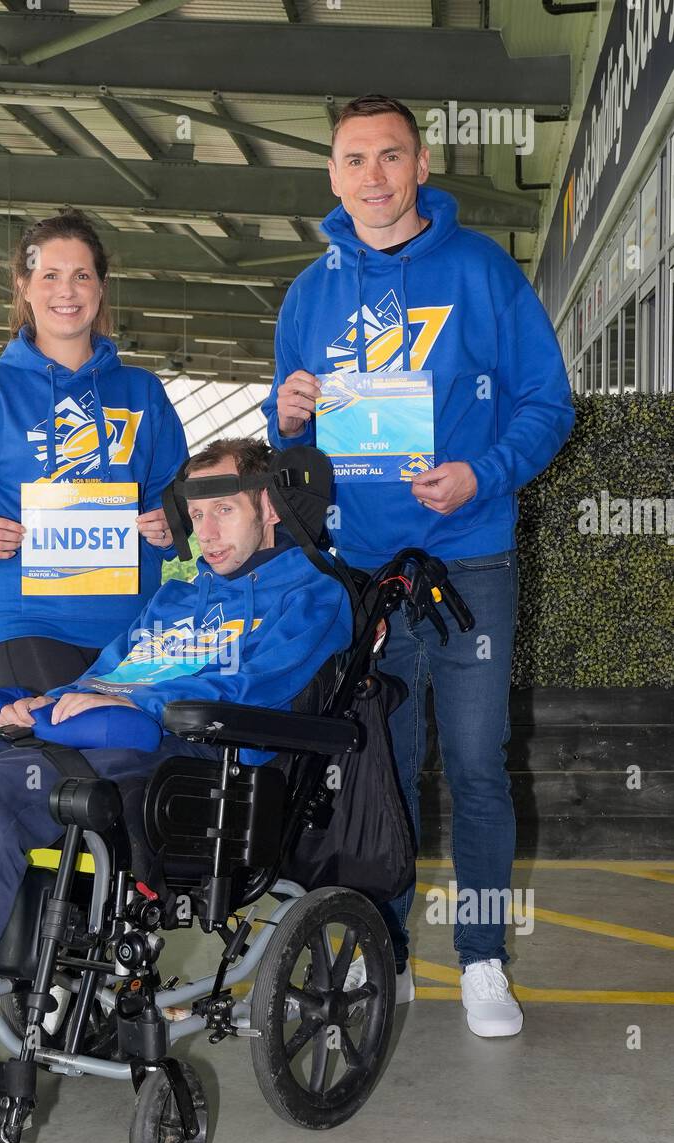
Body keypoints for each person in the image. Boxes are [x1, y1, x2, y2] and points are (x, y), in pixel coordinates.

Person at [0, 438, 354, 1143]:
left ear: (270, 510)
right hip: (94, 740)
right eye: (198, 514)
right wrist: (40, 705)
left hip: (177, 771)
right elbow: (106, 671)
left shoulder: (312, 592)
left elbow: (253, 694)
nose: (208, 531)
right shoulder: (177, 595)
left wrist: (132, 703)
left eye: (225, 511)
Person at [262, 94, 575, 1038]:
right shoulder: (309, 292)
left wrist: (482, 471)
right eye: (354, 160)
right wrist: (287, 414)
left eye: (389, 157)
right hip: (363, 578)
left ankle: (481, 959)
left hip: (470, 560)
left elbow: (546, 404)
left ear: (422, 164)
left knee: (477, 767)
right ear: (332, 175)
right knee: (378, 774)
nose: (373, 177)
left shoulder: (480, 271)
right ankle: (385, 952)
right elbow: (293, 441)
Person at [0, 208, 187, 693]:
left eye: (81, 275)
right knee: (59, 748)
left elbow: (178, 491)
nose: (67, 291)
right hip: (27, 618)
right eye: (50, 275)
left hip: (132, 617)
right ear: (24, 286)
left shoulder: (142, 391)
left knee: (127, 758)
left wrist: (170, 521)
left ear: (100, 287)